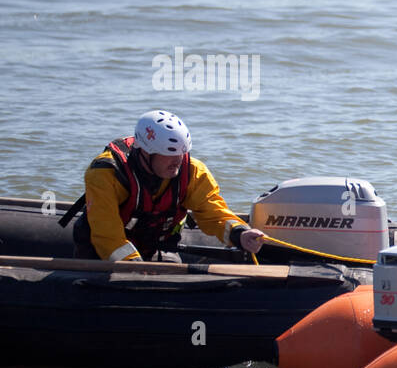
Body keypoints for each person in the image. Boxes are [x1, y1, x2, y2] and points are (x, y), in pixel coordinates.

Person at [62, 110, 266, 262]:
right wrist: (132, 265)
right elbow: (106, 233)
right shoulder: (106, 174)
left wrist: (239, 233)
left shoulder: (193, 171)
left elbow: (213, 211)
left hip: (158, 245)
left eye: (181, 153)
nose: (177, 160)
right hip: (104, 250)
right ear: (145, 152)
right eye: (169, 155)